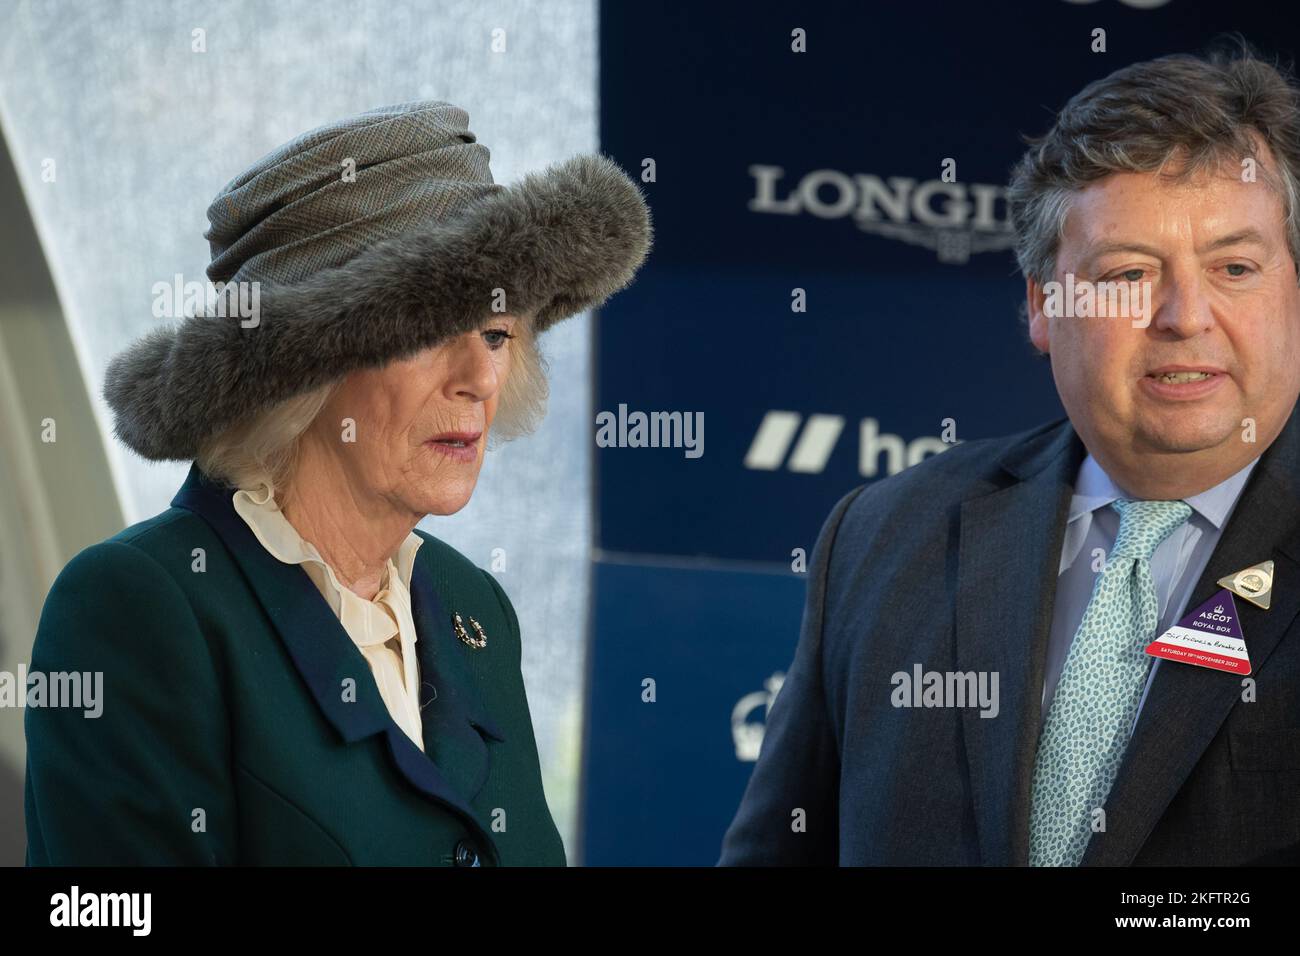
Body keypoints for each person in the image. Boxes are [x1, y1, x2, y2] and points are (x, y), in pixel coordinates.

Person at [24, 100, 651, 865]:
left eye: (495, 332)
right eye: (429, 333)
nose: (482, 376)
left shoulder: (471, 605)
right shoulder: (140, 604)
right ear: (301, 370)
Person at [720, 45, 1300, 866]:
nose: (1185, 315)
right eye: (1129, 273)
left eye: (1235, 267)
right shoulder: (884, 535)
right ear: (1041, 304)